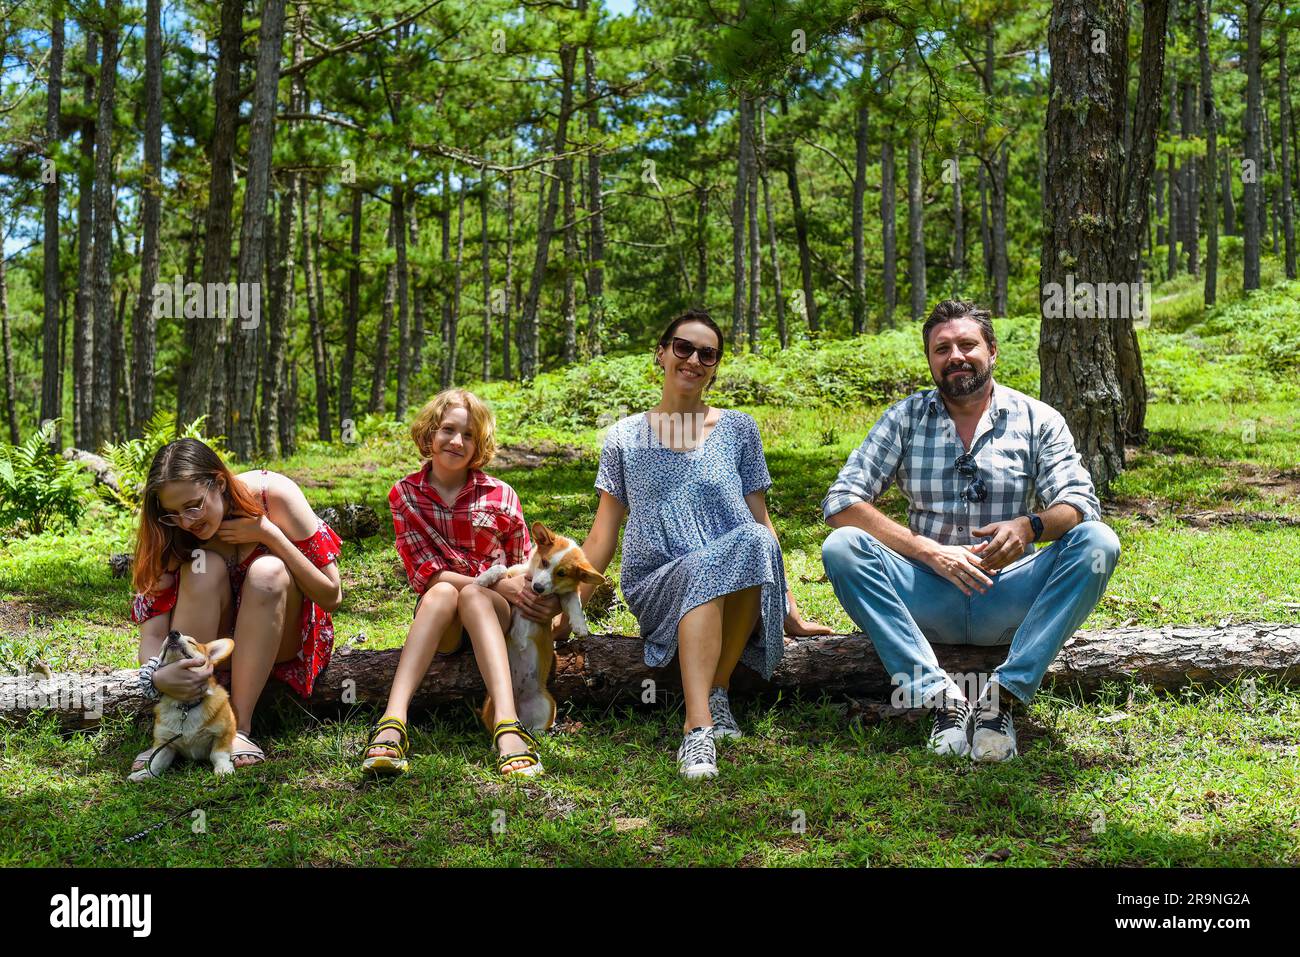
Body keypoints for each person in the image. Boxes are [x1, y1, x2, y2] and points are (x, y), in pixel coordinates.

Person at [820, 299, 1120, 762]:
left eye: (967, 344)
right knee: (842, 547)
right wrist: (926, 550)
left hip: (1007, 594)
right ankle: (941, 699)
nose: (955, 356)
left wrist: (1029, 525)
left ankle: (1002, 698)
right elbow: (841, 503)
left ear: (992, 351)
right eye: (942, 349)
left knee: (1098, 542)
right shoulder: (904, 418)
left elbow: (1080, 504)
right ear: (930, 360)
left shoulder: (1037, 419)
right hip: (926, 593)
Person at [571, 309, 830, 780]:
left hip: (737, 588)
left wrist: (787, 605)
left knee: (750, 540)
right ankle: (698, 730)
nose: (693, 359)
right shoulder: (624, 436)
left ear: (715, 366)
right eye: (683, 348)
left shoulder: (738, 429)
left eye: (707, 354)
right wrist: (566, 610)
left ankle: (716, 692)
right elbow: (601, 536)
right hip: (660, 581)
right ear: (662, 354)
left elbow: (761, 521)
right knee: (705, 567)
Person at [362, 389, 560, 777]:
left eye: (468, 435)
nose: (456, 441)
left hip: (494, 614)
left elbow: (524, 564)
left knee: (472, 594)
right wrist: (490, 580)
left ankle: (507, 724)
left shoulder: (501, 494)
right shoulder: (405, 495)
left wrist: (512, 587)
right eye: (448, 430)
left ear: (479, 444)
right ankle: (392, 722)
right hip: (445, 622)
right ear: (429, 434)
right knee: (443, 591)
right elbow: (427, 572)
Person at [130, 439, 342, 774]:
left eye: (193, 506)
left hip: (279, 637)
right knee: (203, 567)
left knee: (267, 570)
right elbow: (154, 633)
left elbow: (332, 595)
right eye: (173, 513)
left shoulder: (275, 497)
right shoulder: (169, 532)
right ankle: (180, 728)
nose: (186, 522)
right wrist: (157, 676)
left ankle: (238, 728)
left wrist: (269, 534)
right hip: (210, 650)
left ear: (220, 482)